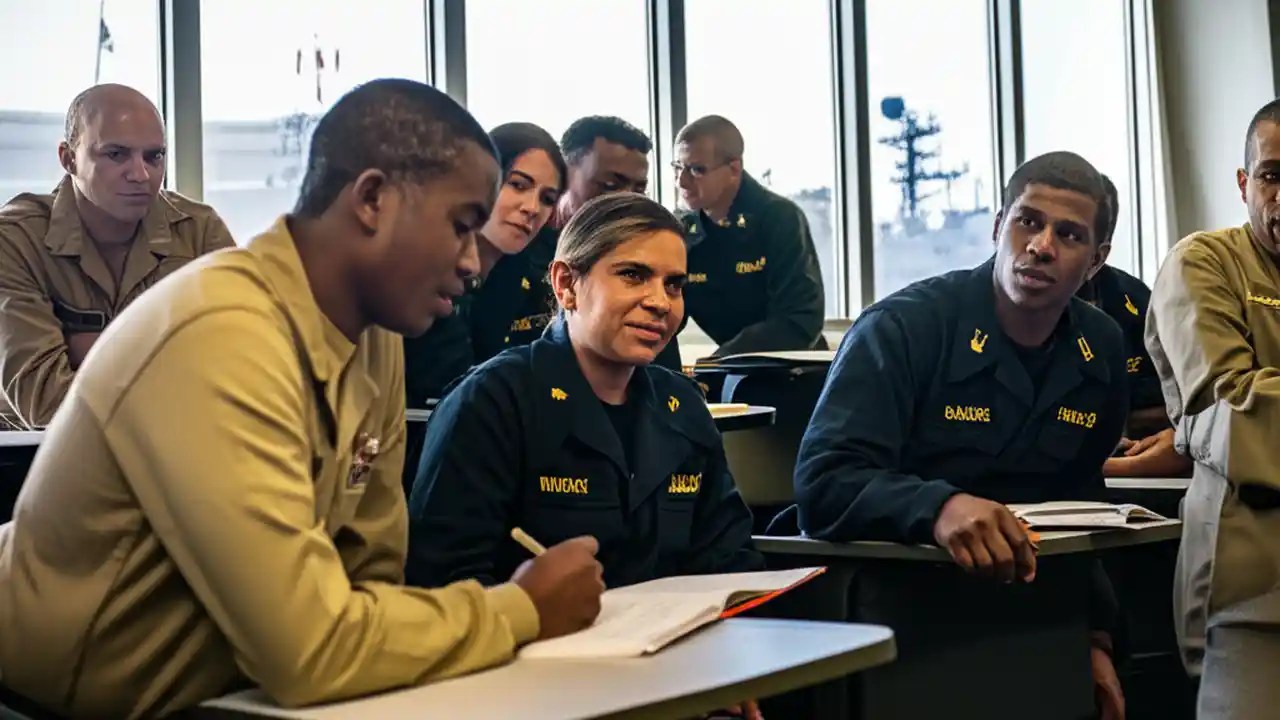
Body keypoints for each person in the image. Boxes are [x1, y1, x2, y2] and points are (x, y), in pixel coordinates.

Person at [0, 79, 604, 720]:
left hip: (232, 695)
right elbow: (310, 650)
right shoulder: (221, 333)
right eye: (459, 227)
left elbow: (368, 580)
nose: (470, 263)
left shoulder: (374, 335)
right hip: (49, 702)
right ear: (371, 199)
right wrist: (519, 610)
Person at [783, 152, 1128, 719]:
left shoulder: (1102, 347)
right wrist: (936, 507)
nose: (1041, 246)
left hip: (1035, 613)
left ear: (1096, 261)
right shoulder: (904, 328)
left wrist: (1095, 640)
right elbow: (822, 483)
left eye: (1069, 235)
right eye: (1028, 222)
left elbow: (1084, 501)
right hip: (900, 613)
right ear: (998, 227)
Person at [407, 191, 762, 589]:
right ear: (566, 284)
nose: (661, 302)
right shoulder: (493, 402)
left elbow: (733, 565)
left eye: (674, 285)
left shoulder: (684, 408)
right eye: (633, 275)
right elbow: (444, 581)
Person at [1145, 97, 1280, 719]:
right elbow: (1234, 412)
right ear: (1244, 182)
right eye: (1275, 175)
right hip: (1252, 593)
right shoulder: (1204, 262)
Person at [0, 83, 234, 430]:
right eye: (116, 154)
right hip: (35, 461)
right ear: (68, 159)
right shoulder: (17, 240)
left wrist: (89, 350)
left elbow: (242, 376)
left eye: (154, 156)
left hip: (173, 456)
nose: (141, 175)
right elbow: (46, 403)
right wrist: (169, 361)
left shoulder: (199, 232)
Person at [403, 121, 566, 405]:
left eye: (547, 198)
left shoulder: (538, 274)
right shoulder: (423, 268)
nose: (532, 208)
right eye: (517, 185)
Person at [673, 115, 825, 357]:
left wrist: (718, 362)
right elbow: (670, 311)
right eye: (678, 167)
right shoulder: (680, 227)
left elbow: (800, 320)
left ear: (734, 169)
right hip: (731, 366)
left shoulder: (779, 218)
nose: (681, 181)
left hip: (792, 369)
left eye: (696, 170)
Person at [1077, 174, 1190, 478]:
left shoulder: (1135, 301)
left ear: (1102, 251)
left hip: (1130, 468)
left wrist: (1169, 435)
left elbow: (1173, 411)